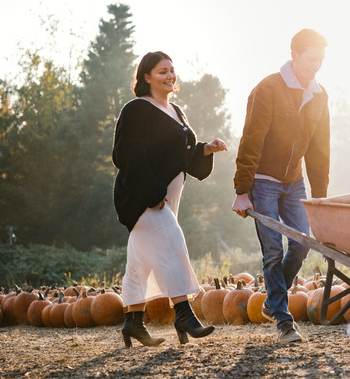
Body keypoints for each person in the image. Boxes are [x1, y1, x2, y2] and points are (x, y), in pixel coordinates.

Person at [113, 51, 228, 348]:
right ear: (146, 77)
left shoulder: (176, 110)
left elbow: (182, 157)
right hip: (142, 196)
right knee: (174, 242)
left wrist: (205, 150)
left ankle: (133, 322)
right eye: (162, 71)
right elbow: (127, 155)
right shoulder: (137, 109)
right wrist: (151, 194)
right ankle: (184, 313)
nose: (170, 76)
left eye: (172, 71)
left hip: (167, 199)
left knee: (140, 260)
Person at [231, 29, 330, 343]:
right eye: (311, 58)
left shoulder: (319, 94)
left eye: (321, 59)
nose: (316, 65)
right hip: (262, 182)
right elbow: (251, 139)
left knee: (301, 243)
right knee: (273, 251)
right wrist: (241, 190)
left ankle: (273, 300)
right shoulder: (269, 88)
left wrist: (320, 198)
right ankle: (284, 323)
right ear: (295, 54)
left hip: (294, 183)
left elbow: (319, 148)